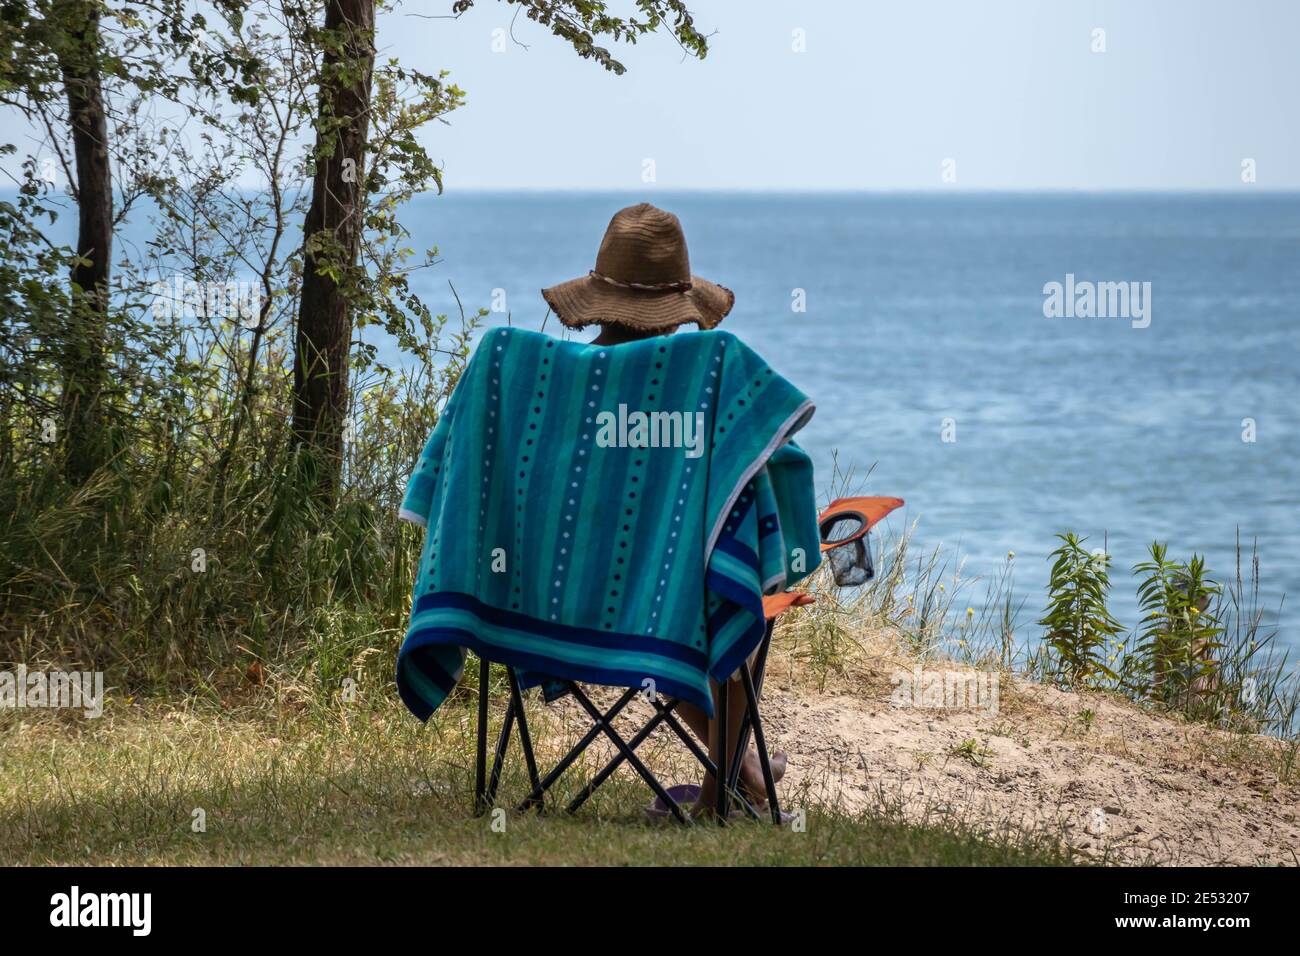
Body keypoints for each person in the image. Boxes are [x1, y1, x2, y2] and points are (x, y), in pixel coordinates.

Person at [541, 202, 791, 815]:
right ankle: (720, 791)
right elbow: (775, 467)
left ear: (598, 295)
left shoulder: (552, 381)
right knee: (710, 598)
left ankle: (746, 770)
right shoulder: (704, 382)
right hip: (663, 605)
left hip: (552, 600)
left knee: (667, 600)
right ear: (678, 311)